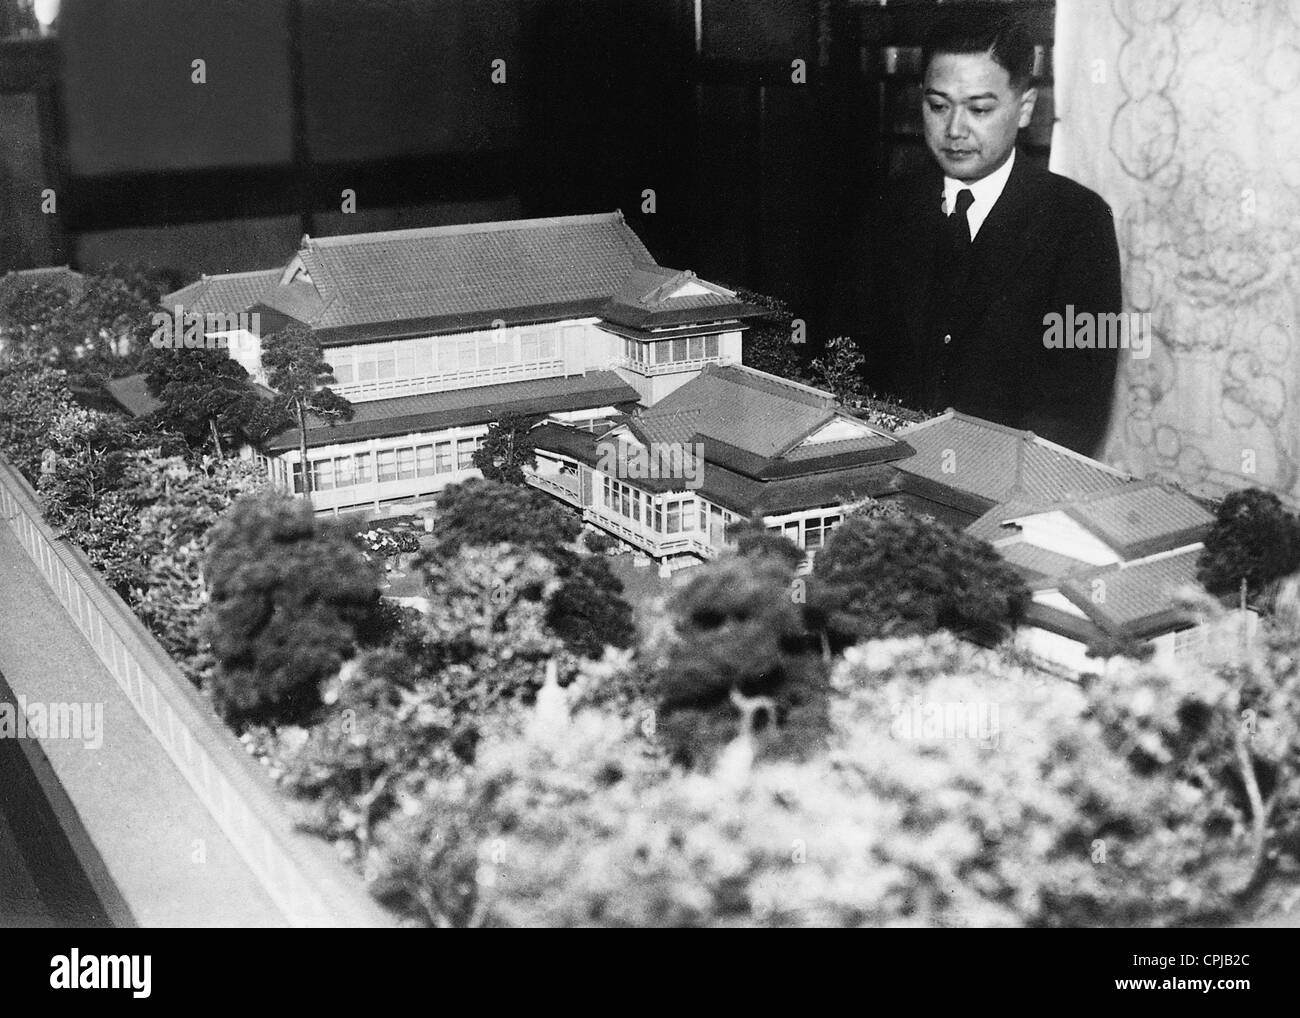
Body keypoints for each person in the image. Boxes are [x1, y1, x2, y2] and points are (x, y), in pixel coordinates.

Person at [830, 9, 1122, 457]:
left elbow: (1077, 403)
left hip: (1007, 492)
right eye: (938, 105)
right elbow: (846, 362)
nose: (955, 130)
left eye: (980, 109)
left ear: (1024, 108)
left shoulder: (1079, 222)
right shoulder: (886, 208)